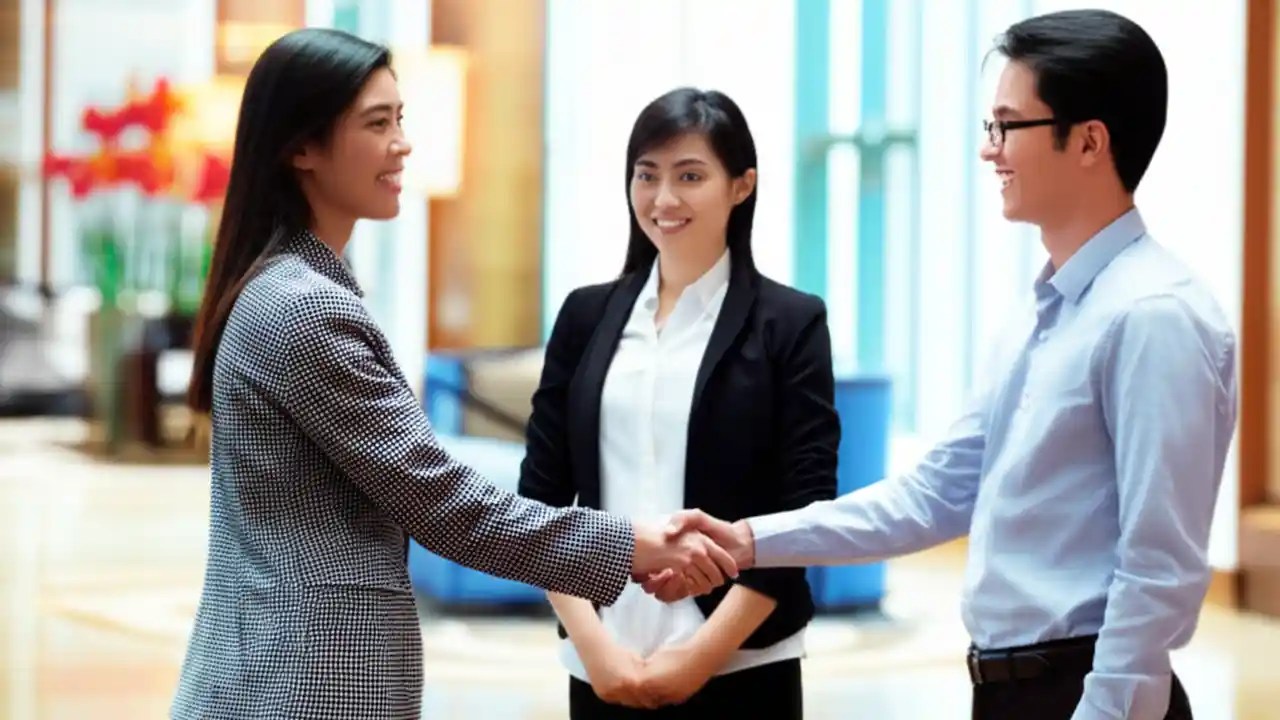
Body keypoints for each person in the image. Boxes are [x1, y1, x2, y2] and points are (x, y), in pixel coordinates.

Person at [659, 10, 1236, 720]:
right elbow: (933, 495)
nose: (989, 151)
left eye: (1006, 126)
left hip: (1085, 694)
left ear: (1089, 141)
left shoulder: (1153, 316)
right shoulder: (1042, 311)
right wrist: (748, 540)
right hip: (1007, 691)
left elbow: (1160, 571)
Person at [171, 29, 736, 720]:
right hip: (306, 677)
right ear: (301, 148)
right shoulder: (305, 308)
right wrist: (633, 545)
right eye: (377, 124)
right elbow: (446, 504)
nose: (403, 143)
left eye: (400, 119)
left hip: (272, 666)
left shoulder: (291, 286)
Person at [517, 87, 839, 719]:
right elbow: (540, 501)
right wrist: (597, 651)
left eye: (690, 176)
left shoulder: (790, 323)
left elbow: (803, 515)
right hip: (602, 660)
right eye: (647, 175)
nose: (663, 199)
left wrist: (697, 660)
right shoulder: (586, 316)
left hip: (743, 663)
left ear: (741, 186)